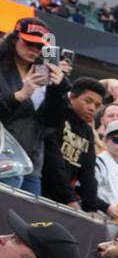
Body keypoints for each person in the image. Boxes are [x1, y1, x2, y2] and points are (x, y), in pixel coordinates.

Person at [0, 18, 71, 195]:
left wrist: (58, 88)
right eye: (29, 43)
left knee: (26, 219)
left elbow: (52, 122)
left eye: (40, 46)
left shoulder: (43, 71)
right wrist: (19, 95)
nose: (34, 50)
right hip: (4, 156)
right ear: (15, 38)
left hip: (32, 160)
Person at [41, 77, 102, 208]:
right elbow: (53, 161)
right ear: (72, 97)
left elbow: (88, 173)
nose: (92, 108)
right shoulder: (58, 117)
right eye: (88, 101)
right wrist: (69, 199)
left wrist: (91, 207)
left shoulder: (87, 131)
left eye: (97, 105)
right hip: (42, 189)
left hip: (65, 199)